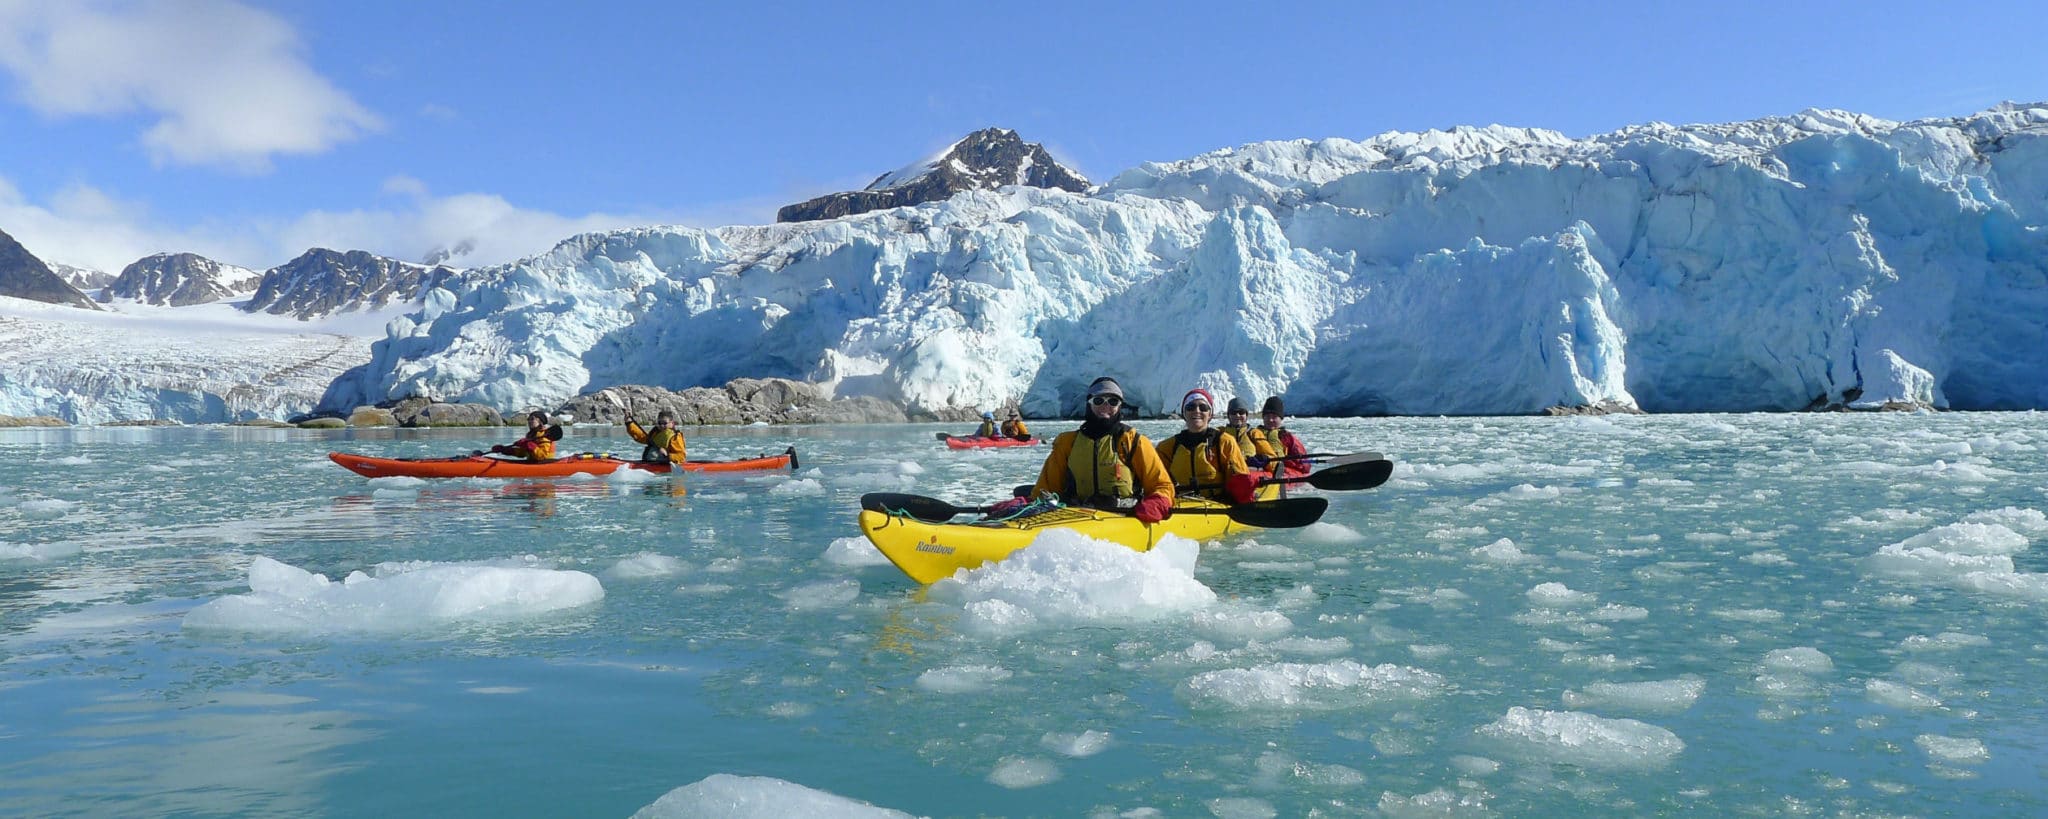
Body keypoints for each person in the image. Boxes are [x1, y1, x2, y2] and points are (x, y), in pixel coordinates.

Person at [1020, 376, 1175, 522]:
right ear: (1089, 403)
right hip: (1075, 518)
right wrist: (1028, 504)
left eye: (1113, 401)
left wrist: (1157, 503)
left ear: (1120, 406)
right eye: (1099, 400)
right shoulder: (1067, 443)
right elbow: (1045, 489)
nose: (1106, 406)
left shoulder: (1132, 441)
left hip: (1123, 518)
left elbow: (1162, 486)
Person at [1157, 389, 1258, 504]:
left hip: (1218, 505)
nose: (1197, 411)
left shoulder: (1225, 442)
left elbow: (1240, 481)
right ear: (1184, 413)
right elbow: (1157, 483)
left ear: (1210, 414)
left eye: (1203, 408)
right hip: (1179, 506)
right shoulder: (1166, 447)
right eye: (1190, 407)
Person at [1247, 396, 1310, 477]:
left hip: (1280, 471)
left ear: (1281, 418)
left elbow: (1304, 466)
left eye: (1274, 417)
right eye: (1267, 416)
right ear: (1263, 417)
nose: (1270, 420)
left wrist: (1288, 462)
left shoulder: (1286, 437)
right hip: (1257, 469)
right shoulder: (1252, 434)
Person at [1222, 396, 1278, 466]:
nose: (1237, 415)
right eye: (1233, 412)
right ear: (1228, 415)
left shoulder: (1254, 433)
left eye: (1241, 412)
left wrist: (1264, 460)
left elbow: (1271, 458)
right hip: (1226, 471)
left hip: (1250, 471)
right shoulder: (1221, 433)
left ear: (1246, 415)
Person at [490, 411, 557, 461]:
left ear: (540, 421)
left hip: (544, 463)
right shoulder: (531, 435)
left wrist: (529, 444)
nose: (529, 421)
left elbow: (542, 456)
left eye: (532, 419)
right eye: (528, 419)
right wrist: (505, 450)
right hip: (532, 462)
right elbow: (523, 453)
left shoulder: (545, 435)